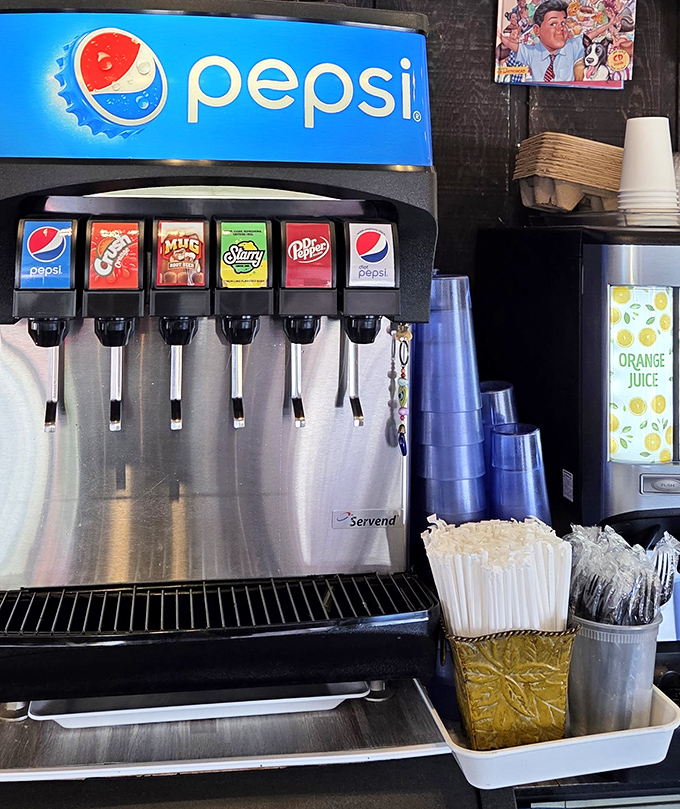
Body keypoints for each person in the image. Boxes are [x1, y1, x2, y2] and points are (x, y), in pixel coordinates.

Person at [498, 0, 611, 82]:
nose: (561, 28)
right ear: (537, 30)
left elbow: (591, 35)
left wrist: (609, 24)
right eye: (553, 24)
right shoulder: (532, 52)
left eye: (563, 23)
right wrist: (501, 37)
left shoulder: (571, 46)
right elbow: (515, 47)